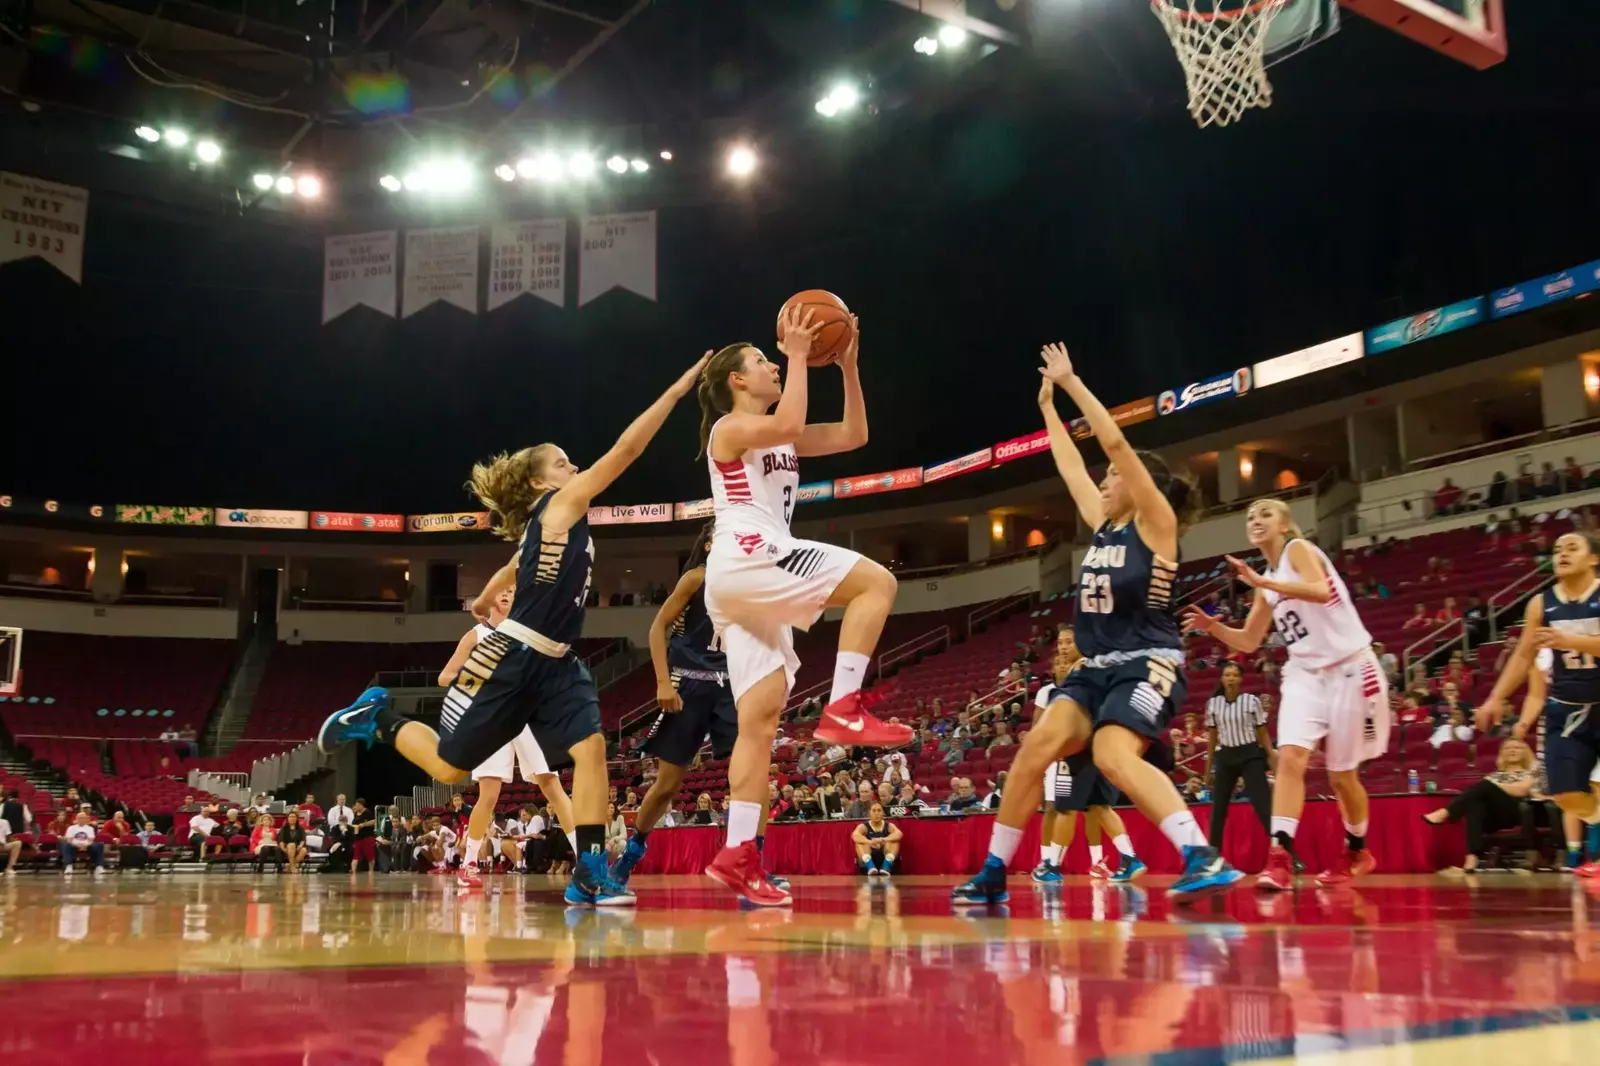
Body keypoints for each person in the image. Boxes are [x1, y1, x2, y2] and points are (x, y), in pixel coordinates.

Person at [316, 353, 709, 907]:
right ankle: (377, 718)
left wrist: (484, 592)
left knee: (591, 750)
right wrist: (675, 391)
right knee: (451, 769)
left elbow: (515, 562)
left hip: (559, 663)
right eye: (563, 461)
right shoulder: (561, 503)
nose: (573, 467)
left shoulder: (546, 524)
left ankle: (589, 871)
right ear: (537, 480)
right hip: (511, 657)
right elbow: (626, 451)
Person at [954, 344, 1239, 906]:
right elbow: (1067, 465)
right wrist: (1046, 409)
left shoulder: (1156, 524)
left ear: (1139, 483)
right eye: (1104, 478)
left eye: (1113, 477)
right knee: (1035, 750)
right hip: (1094, 669)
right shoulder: (1103, 525)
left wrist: (1072, 382)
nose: (1104, 482)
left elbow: (1114, 443)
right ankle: (993, 872)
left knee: (1112, 754)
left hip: (1148, 662)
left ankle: (1200, 854)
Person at [695, 309, 912, 907]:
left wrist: (848, 366)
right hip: (752, 554)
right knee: (877, 584)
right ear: (737, 381)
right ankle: (843, 706)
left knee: (759, 723)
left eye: (773, 359)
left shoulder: (779, 433)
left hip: (744, 580)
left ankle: (739, 853)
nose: (771, 362)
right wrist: (795, 353)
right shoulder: (729, 429)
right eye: (761, 361)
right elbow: (791, 414)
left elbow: (852, 435)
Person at [1183, 497, 1390, 891]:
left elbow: (1321, 590)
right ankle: (1277, 857)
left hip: (1349, 666)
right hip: (1305, 673)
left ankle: (1357, 850)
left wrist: (1264, 583)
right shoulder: (1266, 581)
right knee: (1290, 758)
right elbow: (1247, 641)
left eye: (1265, 513)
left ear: (1284, 525)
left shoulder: (1298, 550)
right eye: (1249, 515)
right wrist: (1212, 627)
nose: (1255, 519)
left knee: (1342, 777)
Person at [610, 522, 785, 897]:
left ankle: (754, 863)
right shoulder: (695, 578)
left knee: (755, 772)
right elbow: (658, 629)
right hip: (689, 684)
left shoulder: (748, 583)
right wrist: (662, 682)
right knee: (666, 786)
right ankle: (629, 856)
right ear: (708, 544)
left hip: (732, 685)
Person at [1476, 531, 1600, 879]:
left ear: (1593, 559)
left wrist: (1568, 640)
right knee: (1564, 797)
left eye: (1572, 548)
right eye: (1557, 549)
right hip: (1567, 707)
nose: (1562, 553)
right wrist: (1495, 698)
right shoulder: (1540, 604)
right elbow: (1523, 655)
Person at [437, 585, 577, 890]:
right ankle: (470, 863)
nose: (505, 593)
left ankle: (585, 860)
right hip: (492, 718)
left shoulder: (532, 631)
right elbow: (445, 677)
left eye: (512, 590)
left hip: (529, 713)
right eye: (500, 589)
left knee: (551, 784)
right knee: (488, 793)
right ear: (488, 597)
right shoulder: (476, 635)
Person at [1030, 631, 1146, 884]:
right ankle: (1130, 858)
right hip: (1098, 746)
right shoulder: (1094, 668)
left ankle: (1052, 866)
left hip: (1078, 750)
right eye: (1059, 642)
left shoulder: (1080, 672)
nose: (1062, 647)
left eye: (1069, 641)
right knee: (1101, 807)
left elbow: (1072, 715)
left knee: (1065, 809)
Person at [1422, 739, 1541, 875]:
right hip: (1494, 818)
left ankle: (1447, 813)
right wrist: (1493, 786)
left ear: (1525, 752)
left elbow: (1521, 791)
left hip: (1520, 812)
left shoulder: (1531, 772)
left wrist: (1494, 786)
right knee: (1475, 804)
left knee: (1483, 787)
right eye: (1508, 748)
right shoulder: (1495, 775)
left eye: (1517, 748)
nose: (1512, 750)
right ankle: (1472, 855)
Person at [1201, 662, 1277, 855]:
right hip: (1226, 757)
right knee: (1218, 810)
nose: (1231, 678)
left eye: (1235, 675)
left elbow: (1263, 732)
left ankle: (1284, 852)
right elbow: (1212, 739)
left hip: (1250, 754)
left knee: (1264, 807)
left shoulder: (1252, 701)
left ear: (1241, 679)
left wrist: (1271, 756)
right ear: (1222, 679)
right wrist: (1208, 769)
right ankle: (1213, 857)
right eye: (1227, 675)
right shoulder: (1213, 704)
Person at [852, 802, 901, 877]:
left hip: (885, 856)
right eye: (874, 811)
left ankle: (886, 866)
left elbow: (899, 834)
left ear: (883, 813)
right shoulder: (864, 826)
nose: (876, 813)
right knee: (860, 841)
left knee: (894, 840)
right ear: (869, 813)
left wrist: (883, 840)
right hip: (869, 857)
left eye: (879, 810)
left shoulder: (889, 825)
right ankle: (870, 866)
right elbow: (854, 835)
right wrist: (870, 842)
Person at [59, 811, 106, 876]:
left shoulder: (90, 828)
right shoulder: (71, 828)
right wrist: (78, 845)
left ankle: (99, 866)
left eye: (83, 818)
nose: (81, 819)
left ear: (86, 819)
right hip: (74, 846)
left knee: (100, 845)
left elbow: (91, 840)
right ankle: (68, 866)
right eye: (79, 818)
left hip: (87, 846)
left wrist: (85, 846)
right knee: (66, 845)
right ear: (76, 819)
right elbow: (69, 840)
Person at [279, 809, 307, 874]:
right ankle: (293, 867)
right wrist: (283, 848)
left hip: (297, 847)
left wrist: (300, 846)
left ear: (297, 819)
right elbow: (281, 840)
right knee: (292, 844)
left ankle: (290, 867)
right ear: (287, 818)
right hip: (287, 847)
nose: (292, 818)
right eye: (291, 817)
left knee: (304, 850)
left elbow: (303, 839)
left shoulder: (300, 828)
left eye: (294, 817)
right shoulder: (284, 828)